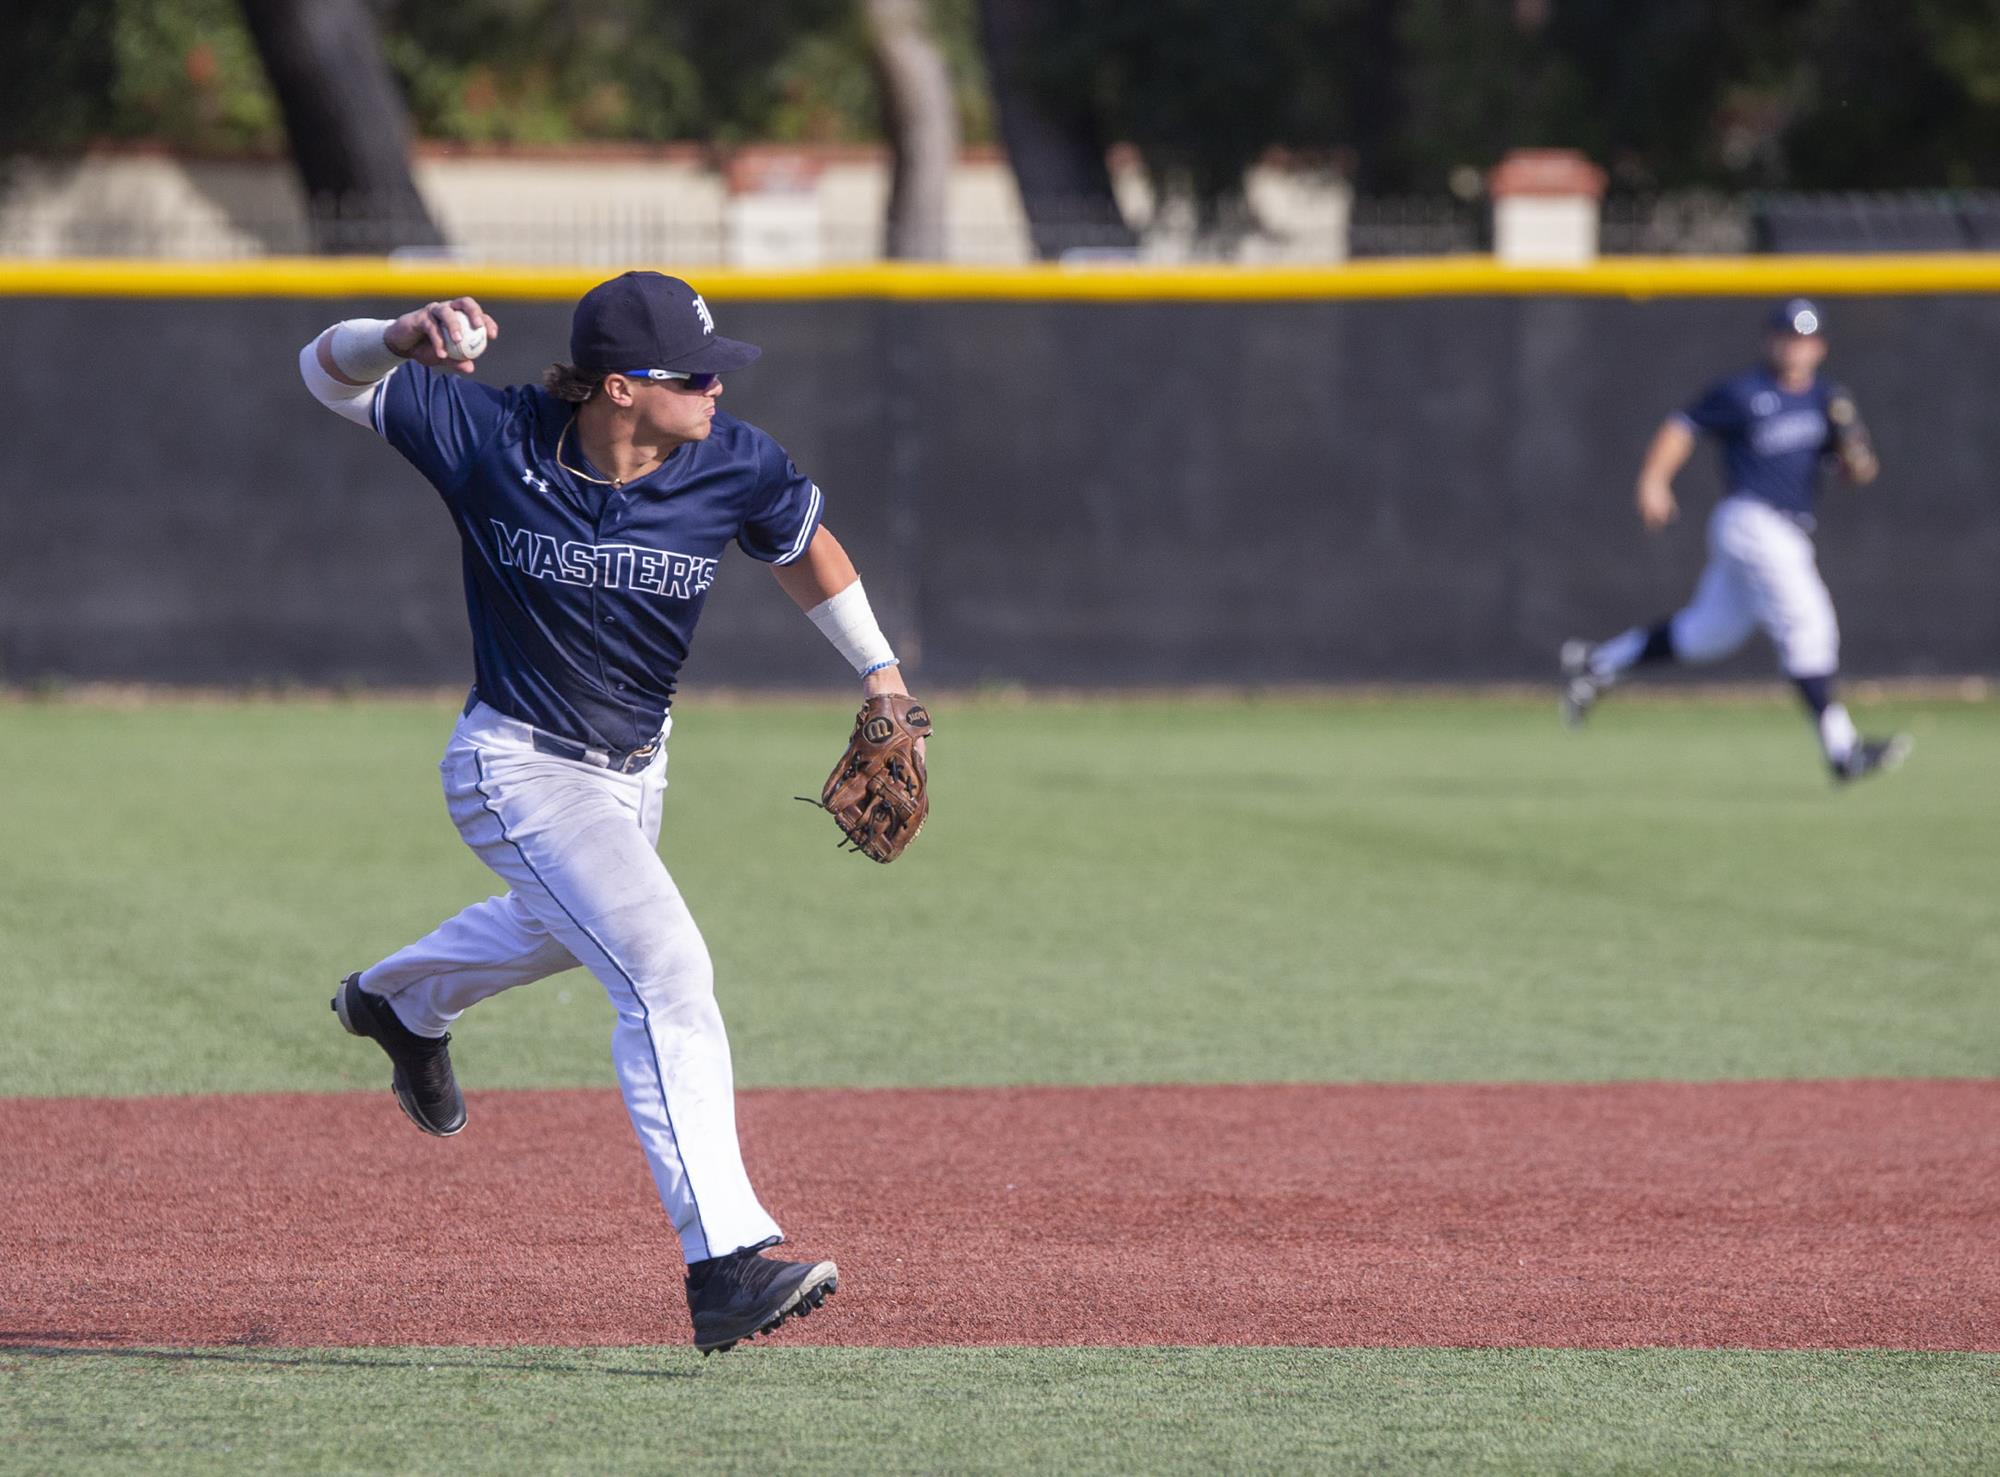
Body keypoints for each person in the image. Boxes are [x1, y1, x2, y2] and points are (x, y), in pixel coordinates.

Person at [298, 271, 920, 1352]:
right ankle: (723, 1262)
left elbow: (802, 547)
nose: (718, 386)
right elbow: (324, 374)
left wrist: (880, 677)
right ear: (621, 387)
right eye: (695, 373)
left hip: (636, 770)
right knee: (666, 970)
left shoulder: (731, 460)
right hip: (516, 765)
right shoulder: (488, 432)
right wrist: (393, 333)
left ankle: (398, 1003)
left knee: (561, 929)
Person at [1559, 297, 1910, 783]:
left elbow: (1853, 469)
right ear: (1770, 339)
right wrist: (1653, 480)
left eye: (1805, 339)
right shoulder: (1744, 392)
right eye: (1787, 336)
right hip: (1753, 521)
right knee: (1810, 626)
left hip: (1786, 527)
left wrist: (1855, 458)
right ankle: (1842, 750)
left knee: (1709, 634)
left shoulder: (1825, 400)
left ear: (1821, 347)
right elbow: (1682, 426)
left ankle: (1598, 664)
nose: (1794, 347)